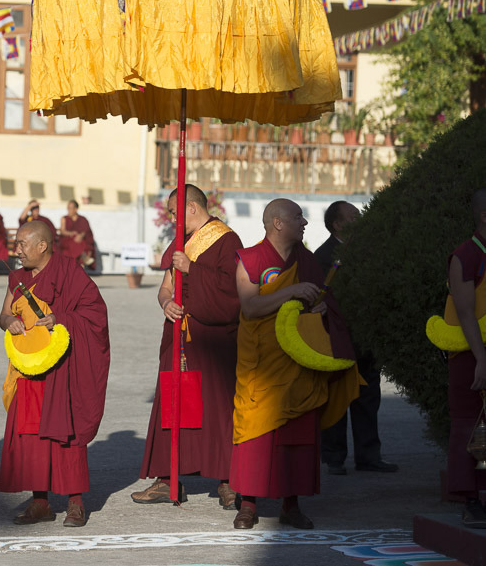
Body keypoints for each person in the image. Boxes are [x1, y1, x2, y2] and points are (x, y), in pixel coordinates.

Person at [229, 198, 362, 530]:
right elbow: (251, 307)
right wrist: (292, 293)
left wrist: (318, 310)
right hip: (262, 362)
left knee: (297, 432)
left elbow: (319, 301)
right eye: (298, 217)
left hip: (298, 359)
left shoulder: (308, 261)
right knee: (255, 433)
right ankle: (247, 504)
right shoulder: (250, 259)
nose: (305, 223)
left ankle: (292, 503)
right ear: (277, 222)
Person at [132, 186, 243, 508]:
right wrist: (166, 303)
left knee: (219, 408)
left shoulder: (226, 240)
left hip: (214, 341)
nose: (170, 219)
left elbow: (232, 291)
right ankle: (168, 478)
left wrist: (193, 269)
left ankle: (228, 479)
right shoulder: (183, 244)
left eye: (173, 212)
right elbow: (165, 288)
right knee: (175, 404)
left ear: (191, 208)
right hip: (179, 335)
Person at [0, 220, 110, 527]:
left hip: (62, 368)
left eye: (22, 244)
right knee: (32, 434)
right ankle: (40, 503)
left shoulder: (70, 272)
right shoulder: (18, 277)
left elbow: (95, 314)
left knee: (64, 432)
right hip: (29, 366)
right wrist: (10, 322)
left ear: (42, 246)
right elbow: (4, 314)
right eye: (16, 244)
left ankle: (75, 503)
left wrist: (60, 318)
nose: (16, 250)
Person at [315, 201, 398, 475]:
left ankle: (369, 455)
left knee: (367, 396)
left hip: (364, 338)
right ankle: (334, 457)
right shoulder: (323, 255)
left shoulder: (368, 251)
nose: (360, 219)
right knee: (336, 398)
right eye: (354, 216)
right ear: (337, 224)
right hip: (337, 338)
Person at [444, 189, 486, 528]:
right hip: (472, 354)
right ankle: (471, 500)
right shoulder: (466, 255)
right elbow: (466, 313)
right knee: (469, 427)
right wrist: (482, 359)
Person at [59, 200, 95, 268]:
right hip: (67, 240)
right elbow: (62, 231)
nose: (68, 210)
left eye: (70, 208)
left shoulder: (83, 219)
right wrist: (71, 233)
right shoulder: (64, 218)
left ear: (76, 209)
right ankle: (83, 257)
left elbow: (86, 231)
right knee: (74, 242)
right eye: (68, 208)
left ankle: (81, 261)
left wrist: (81, 235)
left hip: (79, 241)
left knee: (82, 242)